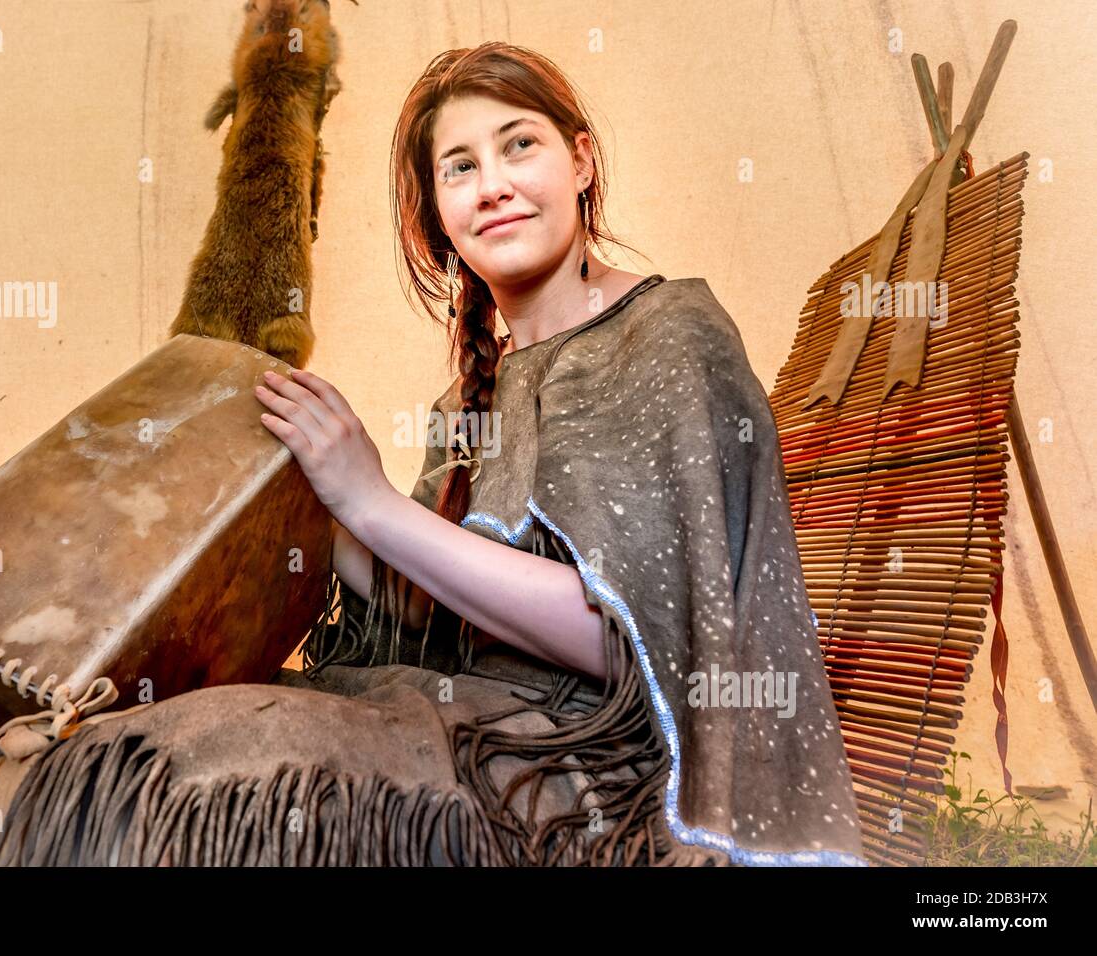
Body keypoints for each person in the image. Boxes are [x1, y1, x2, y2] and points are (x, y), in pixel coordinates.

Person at [261, 41, 868, 867]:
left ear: (581, 160)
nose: (495, 186)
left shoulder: (670, 337)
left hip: (604, 774)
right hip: (480, 721)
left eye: (520, 145)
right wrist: (317, 501)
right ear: (439, 213)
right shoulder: (467, 402)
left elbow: (636, 644)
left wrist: (373, 503)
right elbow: (437, 622)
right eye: (460, 167)